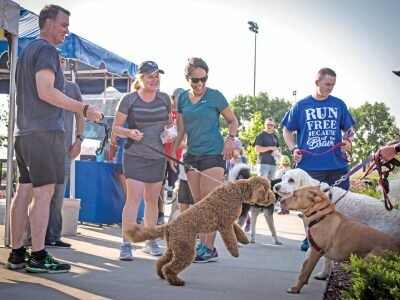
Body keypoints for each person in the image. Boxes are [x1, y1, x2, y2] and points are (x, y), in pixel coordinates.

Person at [7, 4, 102, 273]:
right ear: (47, 23)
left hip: (23, 133)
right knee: (43, 193)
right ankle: (38, 256)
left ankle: (17, 254)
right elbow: (46, 91)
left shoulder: (26, 54)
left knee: (23, 191)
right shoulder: (47, 50)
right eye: (63, 25)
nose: (67, 32)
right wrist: (84, 109)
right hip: (43, 133)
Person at [170, 57, 238, 263]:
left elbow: (233, 121)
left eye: (204, 79)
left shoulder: (215, 96)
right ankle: (204, 245)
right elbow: (181, 129)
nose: (200, 84)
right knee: (199, 204)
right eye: (195, 80)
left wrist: (230, 140)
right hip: (192, 155)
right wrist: (174, 152)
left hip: (213, 154)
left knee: (210, 203)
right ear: (187, 79)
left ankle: (208, 248)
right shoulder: (182, 98)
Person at [281, 67, 355, 250]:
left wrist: (348, 142)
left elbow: (349, 130)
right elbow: (286, 130)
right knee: (308, 205)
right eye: (327, 84)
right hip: (310, 166)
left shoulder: (339, 104)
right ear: (317, 82)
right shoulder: (301, 106)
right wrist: (294, 148)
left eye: (333, 85)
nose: (330, 88)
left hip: (337, 164)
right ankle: (310, 238)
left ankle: (338, 240)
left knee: (340, 204)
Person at [112, 60, 172, 260]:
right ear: (141, 78)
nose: (154, 80)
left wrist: (170, 133)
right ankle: (126, 244)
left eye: (157, 77)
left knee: (152, 200)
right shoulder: (129, 99)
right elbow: (116, 127)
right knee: (134, 198)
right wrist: (129, 132)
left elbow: (169, 126)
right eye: (150, 76)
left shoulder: (164, 99)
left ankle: (150, 240)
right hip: (135, 156)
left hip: (158, 157)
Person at [45, 51, 84, 247]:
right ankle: (31, 236)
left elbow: (80, 114)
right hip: (42, 147)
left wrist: (79, 139)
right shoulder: (43, 84)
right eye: (56, 60)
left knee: (59, 194)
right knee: (40, 194)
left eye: (62, 61)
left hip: (64, 149)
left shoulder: (72, 87)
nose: (59, 64)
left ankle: (52, 236)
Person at [157, 87, 185, 225]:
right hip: (162, 155)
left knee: (177, 189)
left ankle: (174, 217)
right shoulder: (165, 112)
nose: (179, 102)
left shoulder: (184, 115)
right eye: (177, 99)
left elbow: (184, 140)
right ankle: (160, 214)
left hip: (176, 158)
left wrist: (178, 139)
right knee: (158, 186)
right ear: (172, 98)